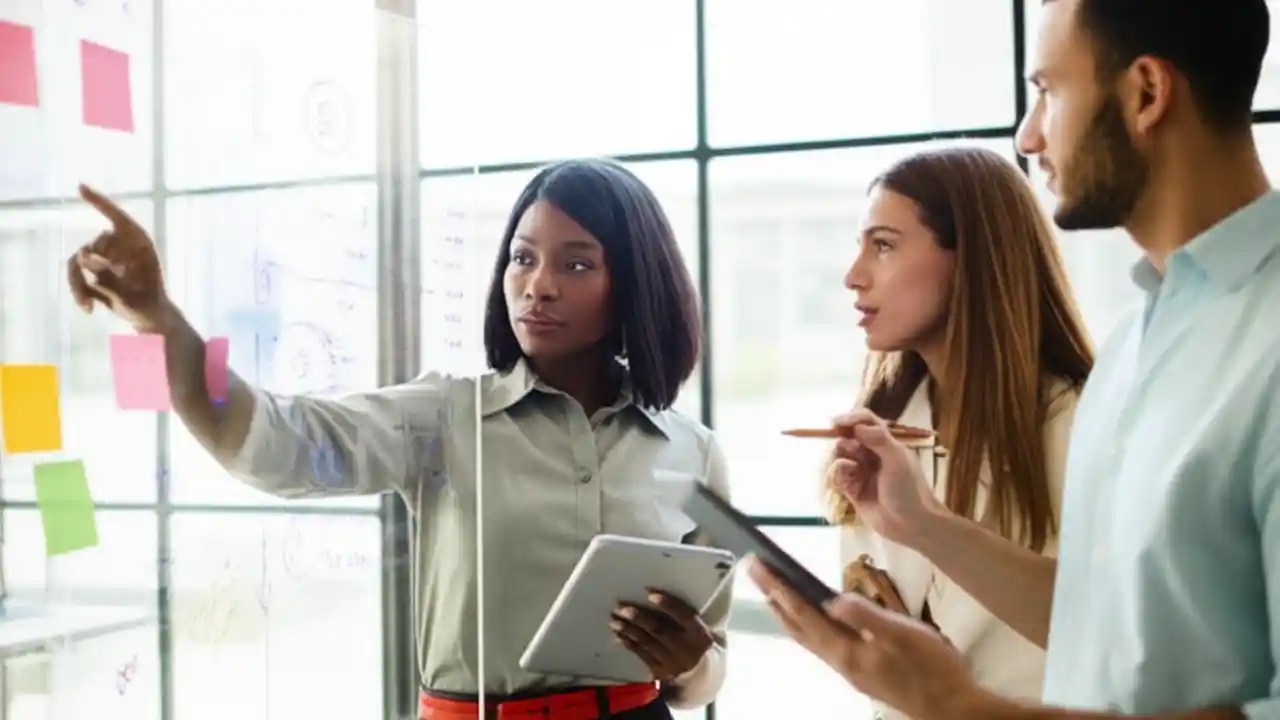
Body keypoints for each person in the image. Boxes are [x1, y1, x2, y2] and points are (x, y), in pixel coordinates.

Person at [752, 0, 1280, 718]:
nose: (1028, 136)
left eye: (1048, 92)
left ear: (1147, 93)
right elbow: (1096, 624)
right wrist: (924, 526)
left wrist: (960, 707)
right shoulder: (1133, 347)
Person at [69, 159, 730, 720]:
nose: (537, 285)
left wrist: (689, 667)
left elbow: (710, 665)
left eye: (576, 263)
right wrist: (159, 318)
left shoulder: (691, 451)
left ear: (634, 286)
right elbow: (272, 441)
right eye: (522, 258)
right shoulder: (446, 416)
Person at [826, 146, 1093, 720]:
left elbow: (1116, 633)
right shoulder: (880, 431)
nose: (854, 275)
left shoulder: (1082, 424)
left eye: (884, 245)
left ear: (971, 257)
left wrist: (927, 528)